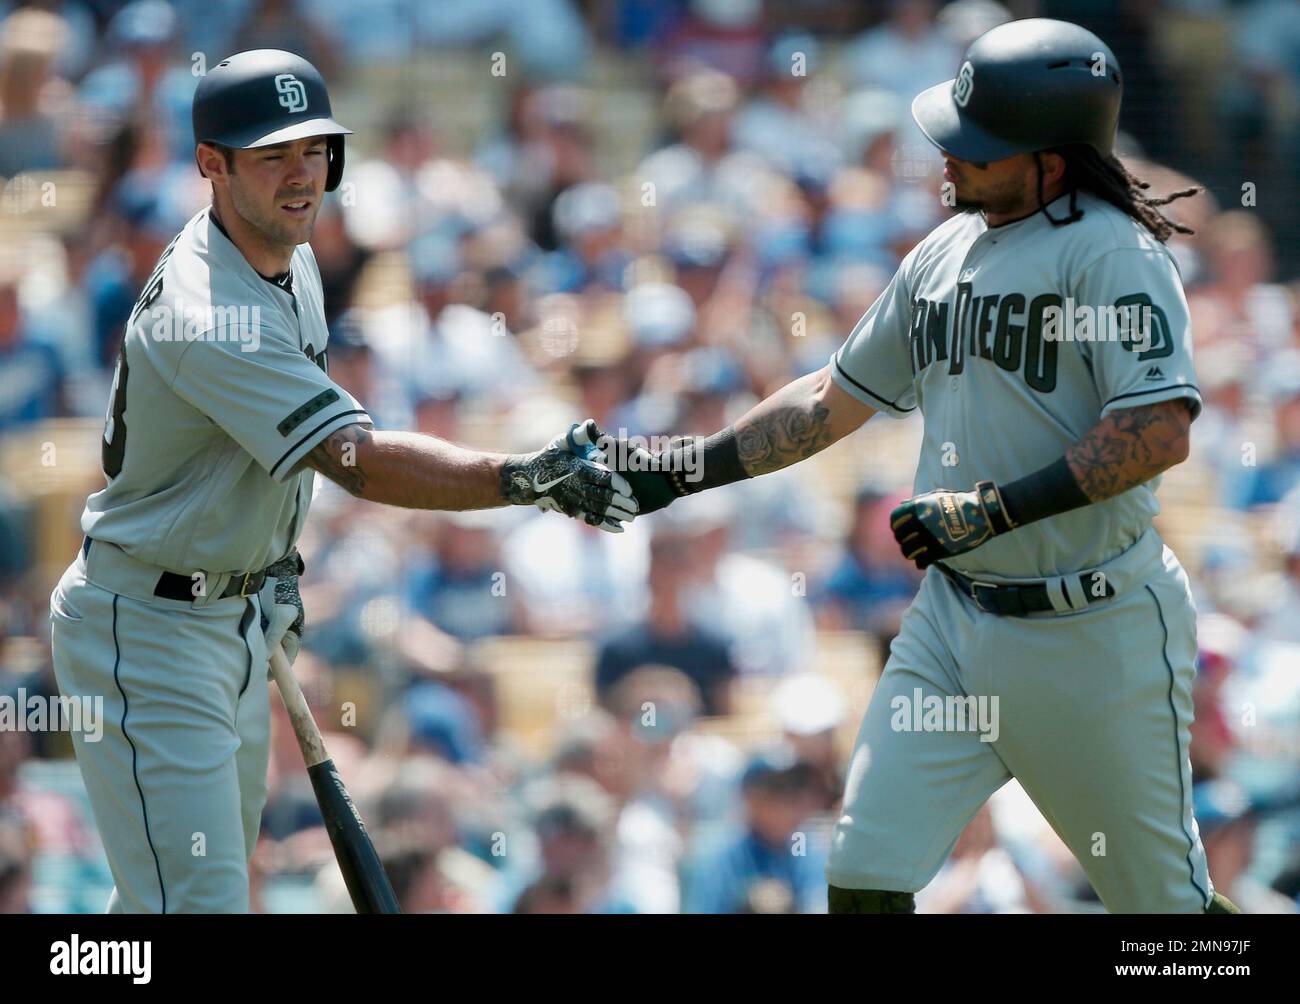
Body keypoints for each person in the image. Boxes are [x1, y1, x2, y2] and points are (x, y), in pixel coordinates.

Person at [593, 19, 1234, 914]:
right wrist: (674, 469)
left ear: (1050, 162)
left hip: (1095, 628)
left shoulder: (1112, 254)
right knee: (863, 874)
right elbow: (828, 402)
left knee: (1167, 915)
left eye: (977, 146)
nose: (949, 157)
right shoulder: (944, 251)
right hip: (953, 623)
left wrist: (993, 511)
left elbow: (1160, 428)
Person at [48, 49, 636, 915]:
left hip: (226, 612)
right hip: (151, 626)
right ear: (211, 163)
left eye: (314, 150)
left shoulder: (290, 254)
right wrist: (520, 479)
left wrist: (270, 562)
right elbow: (353, 458)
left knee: (168, 899)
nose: (301, 174)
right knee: (197, 904)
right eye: (271, 154)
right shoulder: (210, 310)